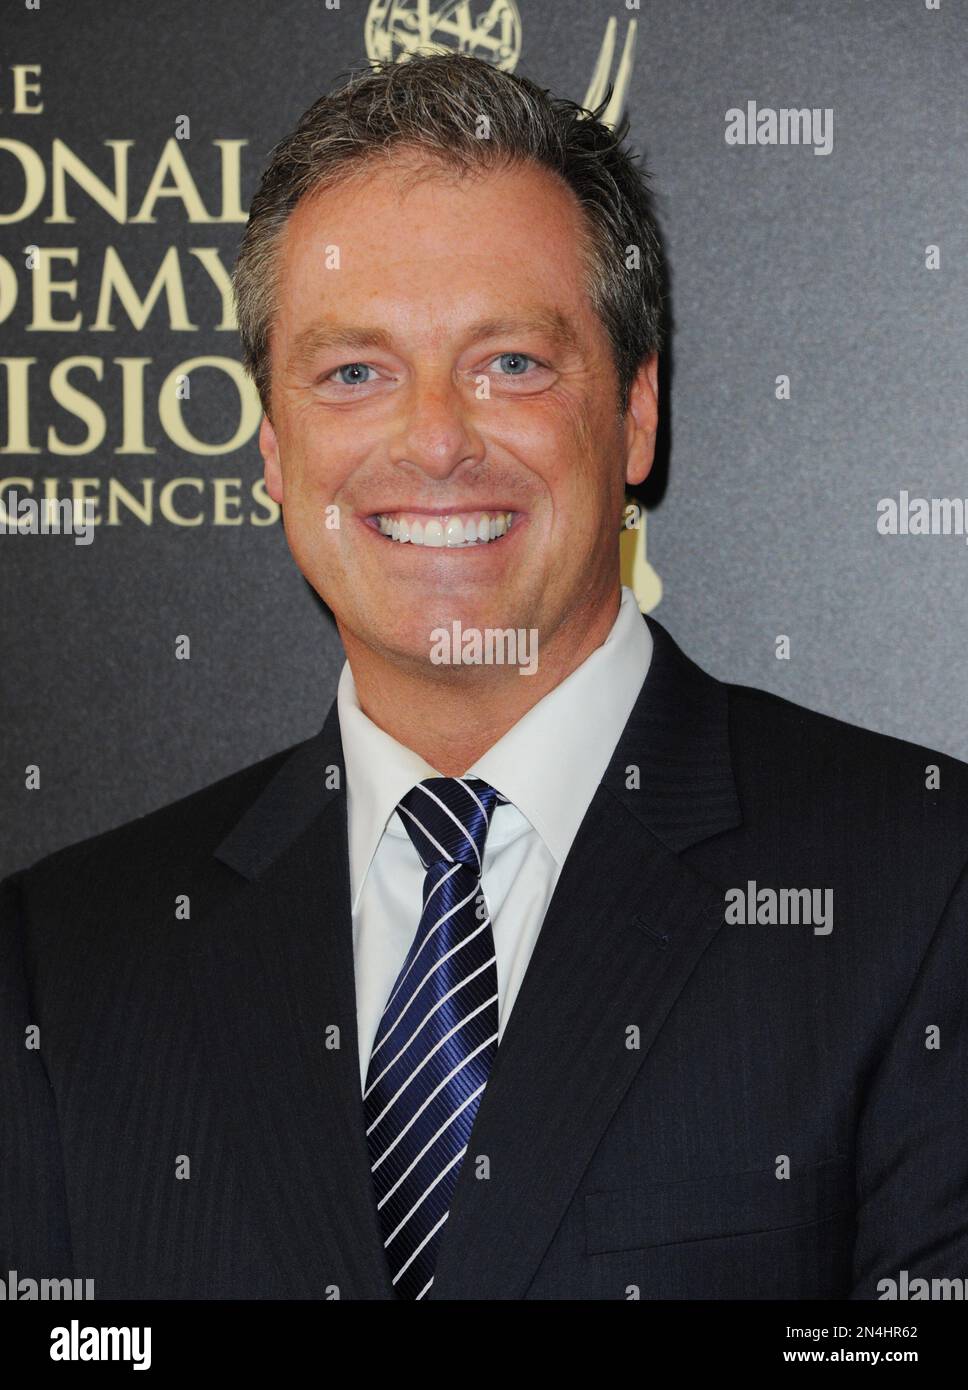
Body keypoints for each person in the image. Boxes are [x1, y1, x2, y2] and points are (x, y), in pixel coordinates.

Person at [2, 52, 967, 1302]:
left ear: (633, 414)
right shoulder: (66, 959)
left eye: (510, 362)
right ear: (273, 452)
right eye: (354, 372)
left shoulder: (921, 882)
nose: (436, 440)